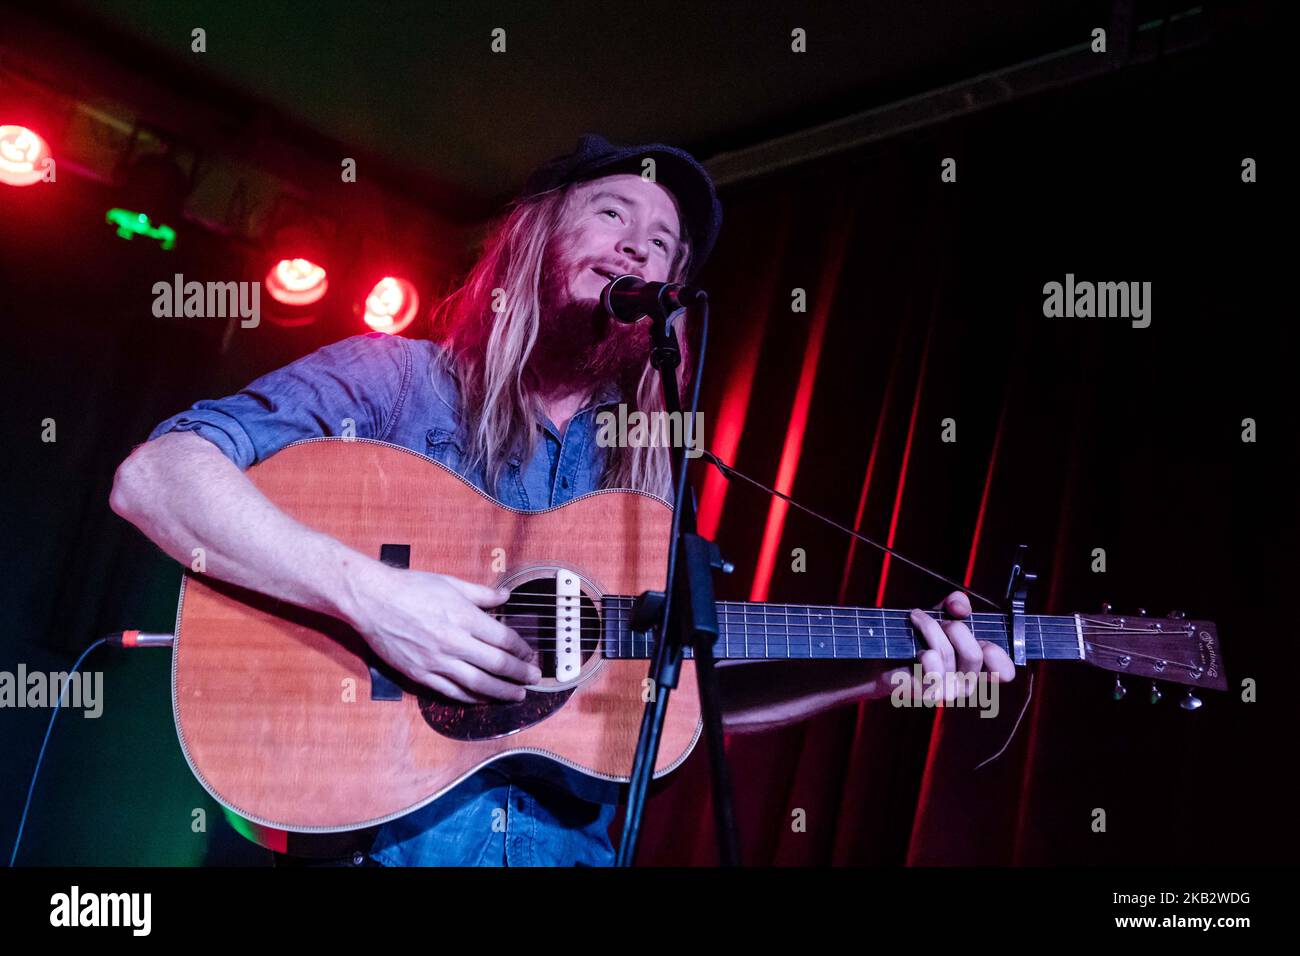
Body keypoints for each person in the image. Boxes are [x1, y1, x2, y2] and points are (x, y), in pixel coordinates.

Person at [110, 134, 1014, 866]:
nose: (637, 245)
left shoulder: (641, 486)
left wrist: (874, 667)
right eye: (612, 214)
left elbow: (678, 694)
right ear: (534, 241)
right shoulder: (394, 381)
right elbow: (156, 476)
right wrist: (374, 598)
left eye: (661, 244)